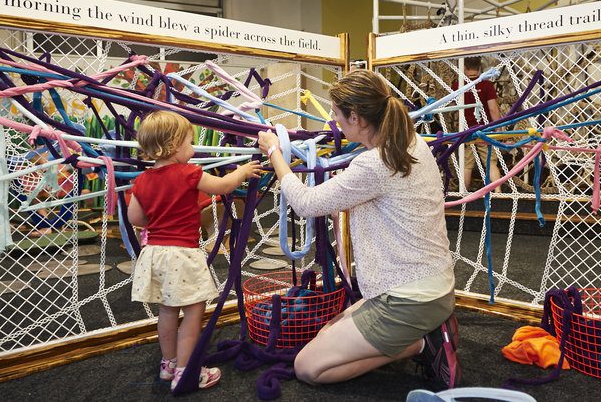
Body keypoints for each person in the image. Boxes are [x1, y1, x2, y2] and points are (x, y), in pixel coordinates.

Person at [256, 70, 460, 389]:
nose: (334, 122)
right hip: (432, 289)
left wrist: (274, 153)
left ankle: (425, 344)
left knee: (307, 367)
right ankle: (427, 330)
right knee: (325, 335)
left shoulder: (374, 164)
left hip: (409, 299)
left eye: (336, 115)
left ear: (357, 118)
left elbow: (306, 203)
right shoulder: (411, 143)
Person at [126, 110, 262, 391]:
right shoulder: (189, 173)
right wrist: (244, 171)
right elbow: (223, 186)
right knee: (192, 312)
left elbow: (135, 219)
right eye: (190, 143)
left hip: (154, 253)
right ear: (175, 146)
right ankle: (187, 372)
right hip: (182, 254)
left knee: (167, 310)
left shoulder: (142, 180)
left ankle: (169, 364)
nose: (193, 148)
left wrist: (159, 216)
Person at [452, 56, 503, 192]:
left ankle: (463, 193)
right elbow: (492, 108)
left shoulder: (458, 85)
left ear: (464, 68)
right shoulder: (486, 85)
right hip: (484, 129)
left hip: (466, 130)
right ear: (480, 67)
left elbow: (455, 108)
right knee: (490, 162)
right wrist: (499, 127)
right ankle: (498, 192)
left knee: (466, 165)